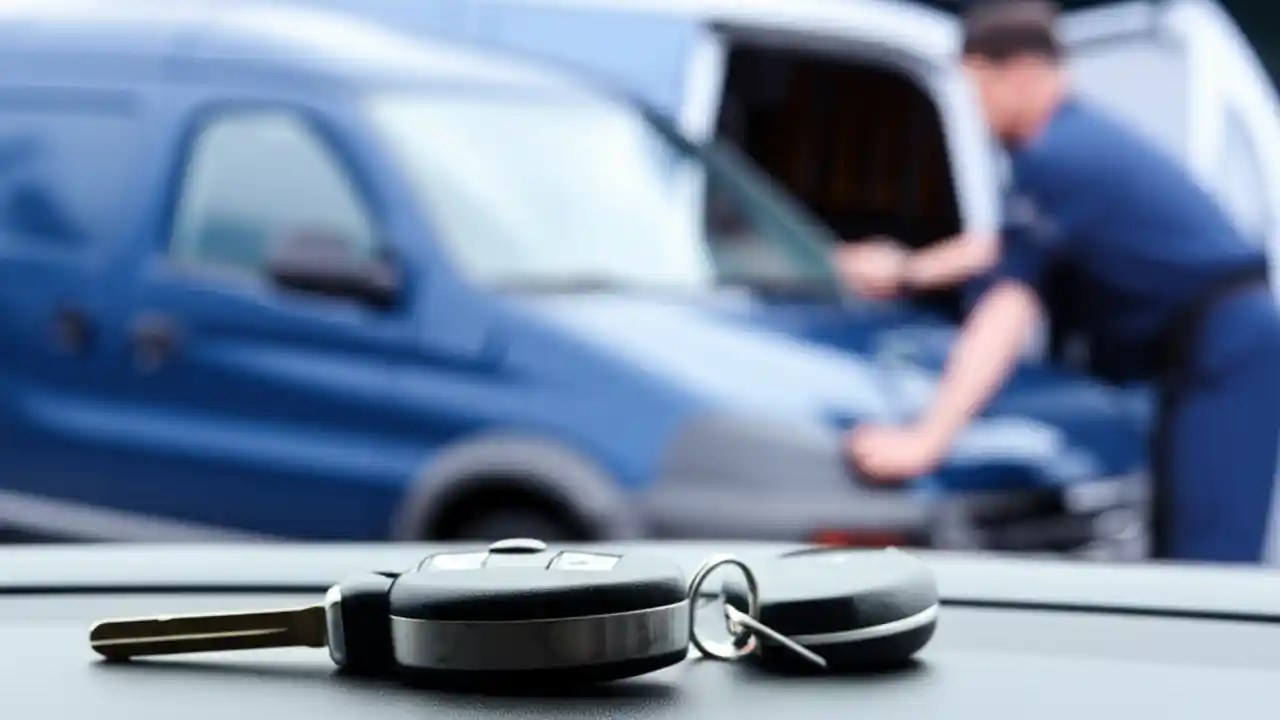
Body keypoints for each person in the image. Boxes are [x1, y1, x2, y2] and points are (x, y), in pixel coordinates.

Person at [841, 0, 1280, 563]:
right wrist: (907, 271)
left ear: (1021, 73)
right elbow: (1007, 250)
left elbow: (1008, 306)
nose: (973, 108)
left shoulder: (1056, 158)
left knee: (1207, 559)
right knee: (1180, 539)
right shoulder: (1072, 144)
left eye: (977, 86)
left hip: (1229, 353)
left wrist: (925, 441)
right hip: (1216, 345)